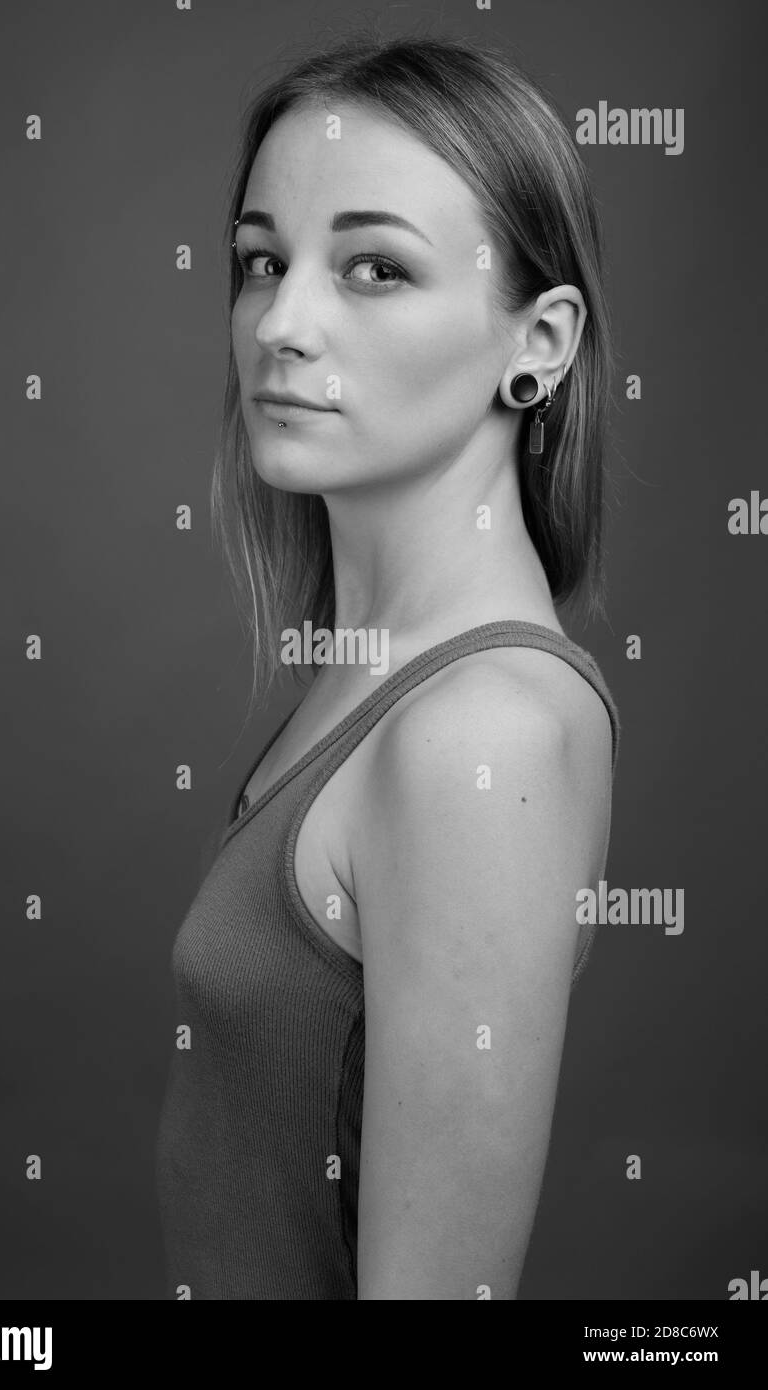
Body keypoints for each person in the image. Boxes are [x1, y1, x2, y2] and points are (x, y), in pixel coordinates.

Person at [156, 30, 622, 1301]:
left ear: (540, 342)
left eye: (375, 267)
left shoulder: (478, 736)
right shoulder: (373, 675)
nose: (281, 323)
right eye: (263, 261)